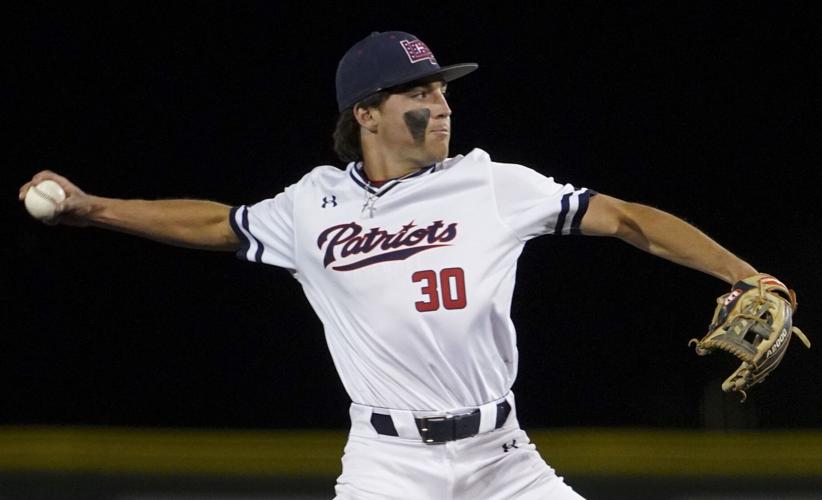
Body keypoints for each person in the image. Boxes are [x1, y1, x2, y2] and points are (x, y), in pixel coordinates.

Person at [20, 31, 758, 499]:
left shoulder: (491, 182)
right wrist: (96, 208)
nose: (442, 105)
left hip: (504, 457)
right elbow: (219, 223)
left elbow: (631, 219)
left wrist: (742, 274)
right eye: (420, 91)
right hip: (389, 465)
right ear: (365, 115)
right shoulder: (313, 204)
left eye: (442, 89)